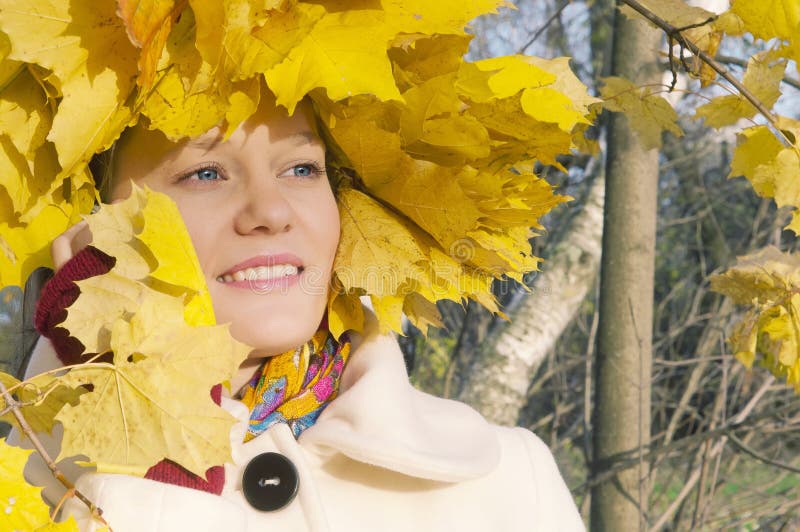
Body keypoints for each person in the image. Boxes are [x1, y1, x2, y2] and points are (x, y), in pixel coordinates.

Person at [15, 90, 585, 531]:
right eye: (205, 173)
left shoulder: (506, 482)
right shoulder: (21, 483)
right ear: (90, 225)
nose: (271, 210)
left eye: (303, 169)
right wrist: (147, 435)